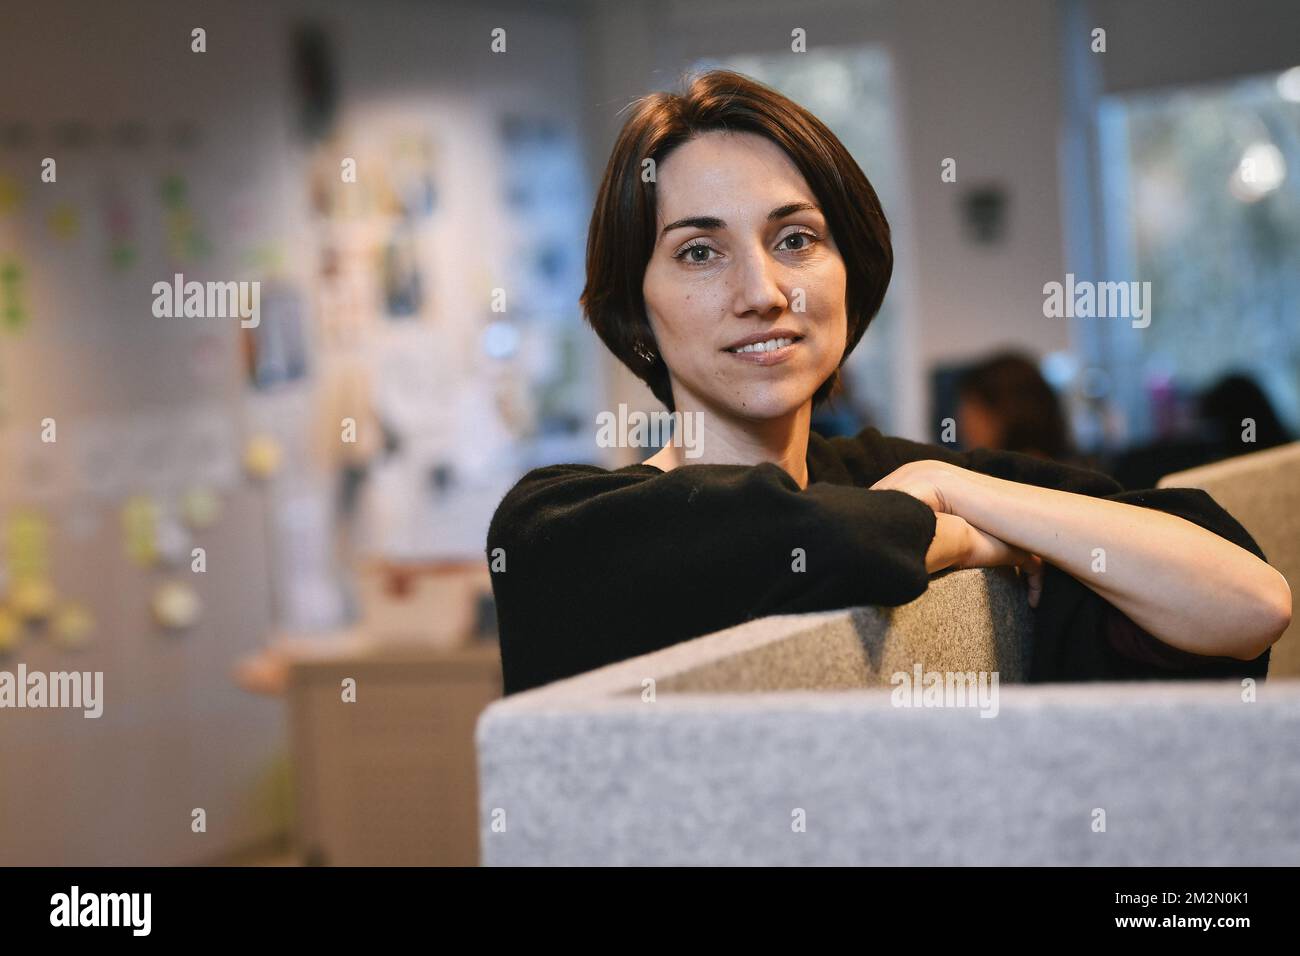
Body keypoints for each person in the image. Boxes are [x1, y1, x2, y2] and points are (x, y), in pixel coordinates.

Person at [486, 70, 1291, 696]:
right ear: (635, 311)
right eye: (700, 252)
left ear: (850, 275)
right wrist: (974, 539)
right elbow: (817, 537)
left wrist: (950, 483)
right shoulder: (563, 529)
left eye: (795, 238)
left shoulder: (917, 476)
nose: (763, 292)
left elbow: (1250, 602)